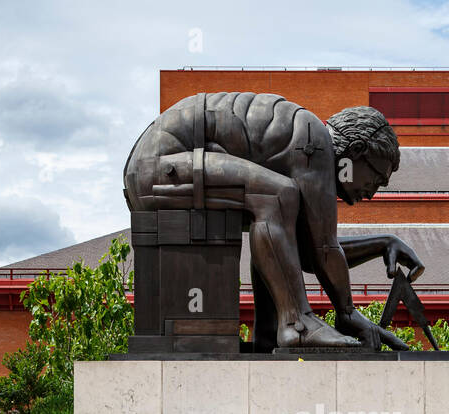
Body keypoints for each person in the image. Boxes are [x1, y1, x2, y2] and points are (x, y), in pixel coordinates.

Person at [124, 93, 423, 350]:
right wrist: (346, 312)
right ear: (356, 152)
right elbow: (322, 250)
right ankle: (296, 325)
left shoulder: (308, 140)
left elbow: (302, 252)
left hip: (160, 169)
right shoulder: (315, 142)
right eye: (376, 178)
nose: (371, 192)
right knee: (276, 196)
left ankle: (269, 335)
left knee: (273, 220)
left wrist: (383, 243)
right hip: (160, 168)